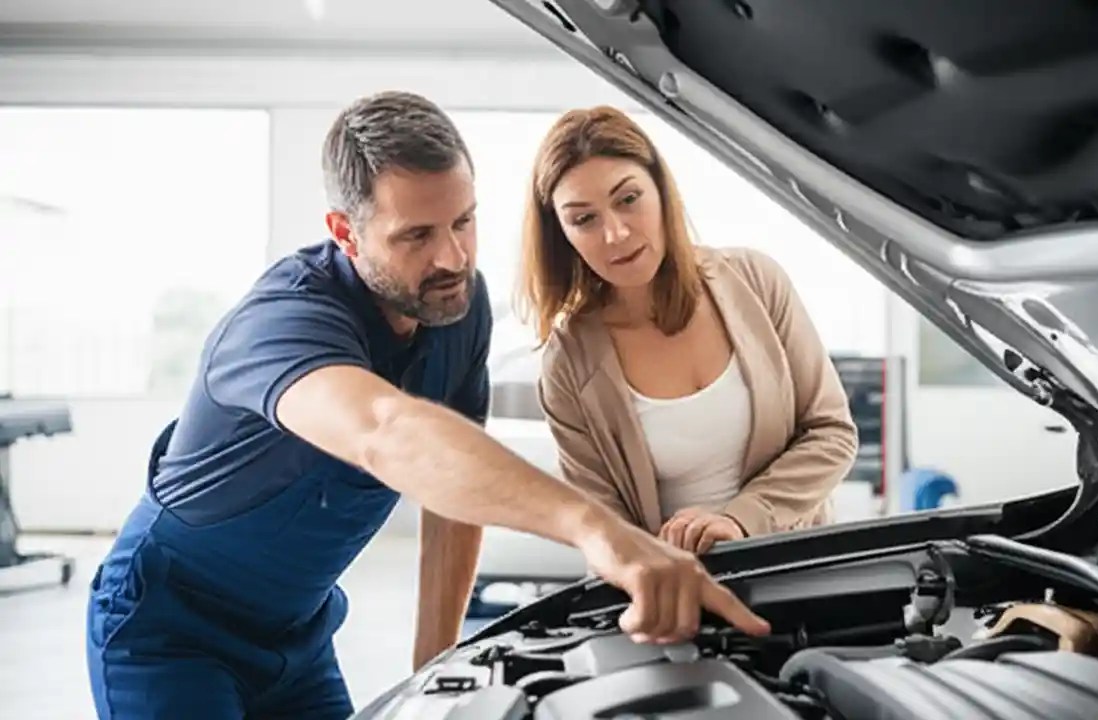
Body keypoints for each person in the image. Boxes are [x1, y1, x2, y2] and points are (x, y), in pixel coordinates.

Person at [84, 91, 768, 720]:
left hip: (298, 633)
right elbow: (388, 432)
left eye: (464, 221)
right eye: (416, 236)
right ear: (345, 232)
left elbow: (451, 497)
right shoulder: (282, 324)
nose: (452, 256)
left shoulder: (458, 311)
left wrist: (435, 670)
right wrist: (600, 533)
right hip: (168, 631)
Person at [520, 106, 859, 557]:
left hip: (796, 572)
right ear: (562, 234)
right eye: (584, 219)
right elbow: (602, 527)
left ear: (662, 192)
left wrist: (740, 519)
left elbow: (832, 433)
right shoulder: (568, 363)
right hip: (676, 595)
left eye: (628, 199)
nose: (616, 234)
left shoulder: (755, 280)